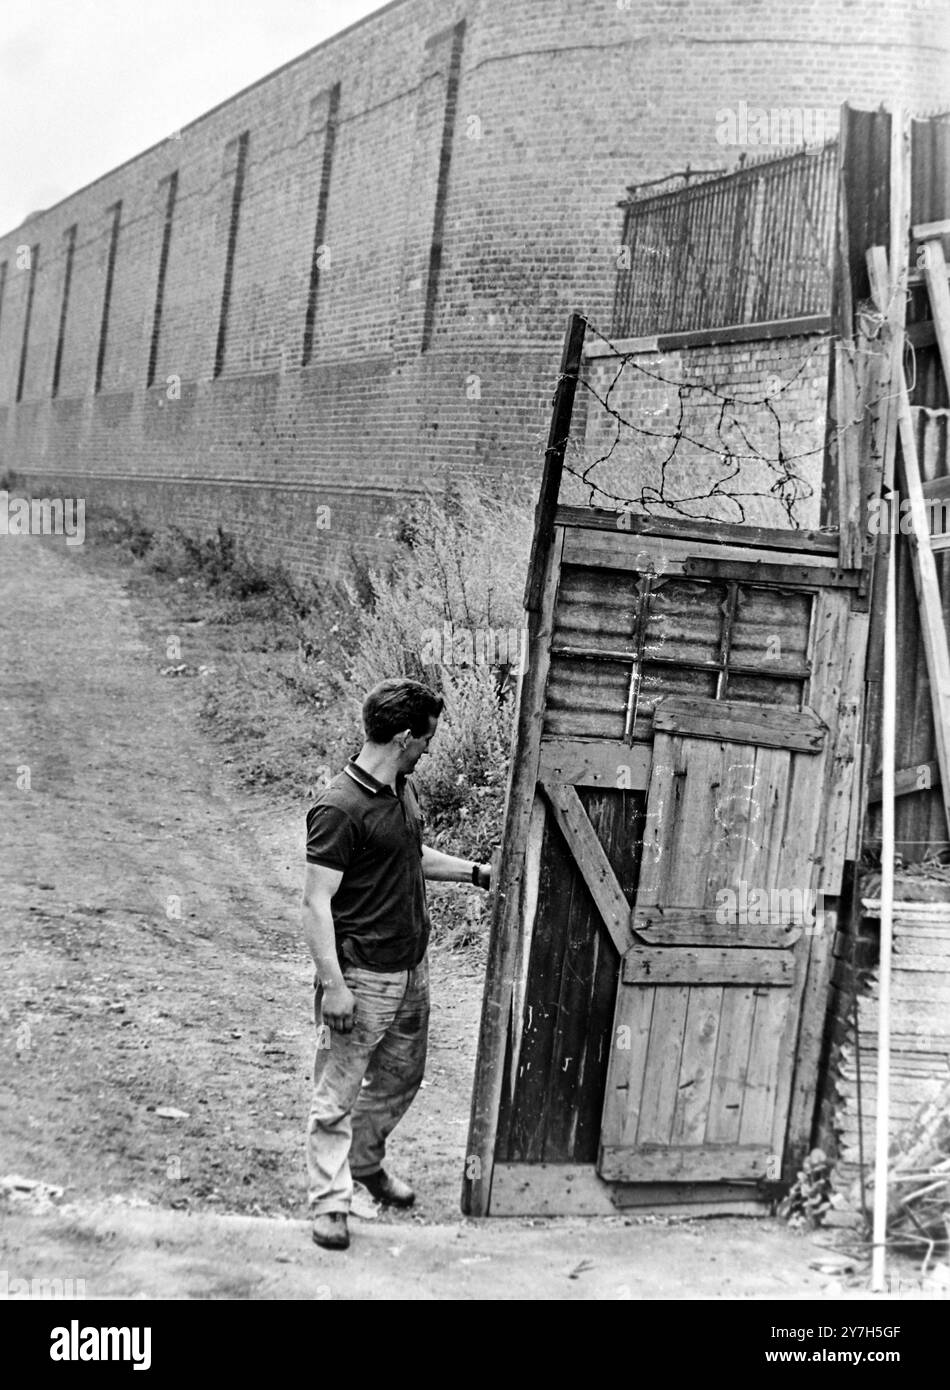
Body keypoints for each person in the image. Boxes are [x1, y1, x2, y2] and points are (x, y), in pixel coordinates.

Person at [301, 677, 491, 1250]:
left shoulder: (398, 789)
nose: (429, 749)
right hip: (362, 974)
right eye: (426, 739)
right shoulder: (339, 807)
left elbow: (410, 856)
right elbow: (314, 902)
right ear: (405, 736)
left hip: (412, 967)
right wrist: (334, 987)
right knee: (337, 1089)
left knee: (402, 1075)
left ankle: (363, 1163)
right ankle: (330, 1204)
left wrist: (476, 874)